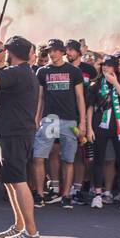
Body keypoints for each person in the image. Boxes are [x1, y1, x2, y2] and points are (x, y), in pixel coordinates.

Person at [0, 36, 41, 238]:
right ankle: (19, 225)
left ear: (10, 53)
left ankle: (31, 232)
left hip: (15, 132)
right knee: (11, 182)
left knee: (18, 181)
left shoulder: (17, 72)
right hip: (9, 131)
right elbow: (3, 105)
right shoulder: (20, 73)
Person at [30, 38, 87, 209]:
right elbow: (40, 97)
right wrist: (36, 118)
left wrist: (82, 123)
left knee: (68, 159)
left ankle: (66, 195)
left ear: (62, 51)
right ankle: (40, 195)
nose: (52, 53)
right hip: (49, 120)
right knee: (39, 157)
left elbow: (80, 97)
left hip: (70, 120)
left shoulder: (74, 71)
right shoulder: (42, 71)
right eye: (49, 50)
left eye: (55, 50)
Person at [88, 54, 120, 210]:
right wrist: (89, 127)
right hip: (100, 126)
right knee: (99, 160)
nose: (105, 68)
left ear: (115, 67)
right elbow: (90, 107)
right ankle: (97, 194)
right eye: (103, 65)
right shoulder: (95, 84)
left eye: (109, 65)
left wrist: (115, 82)